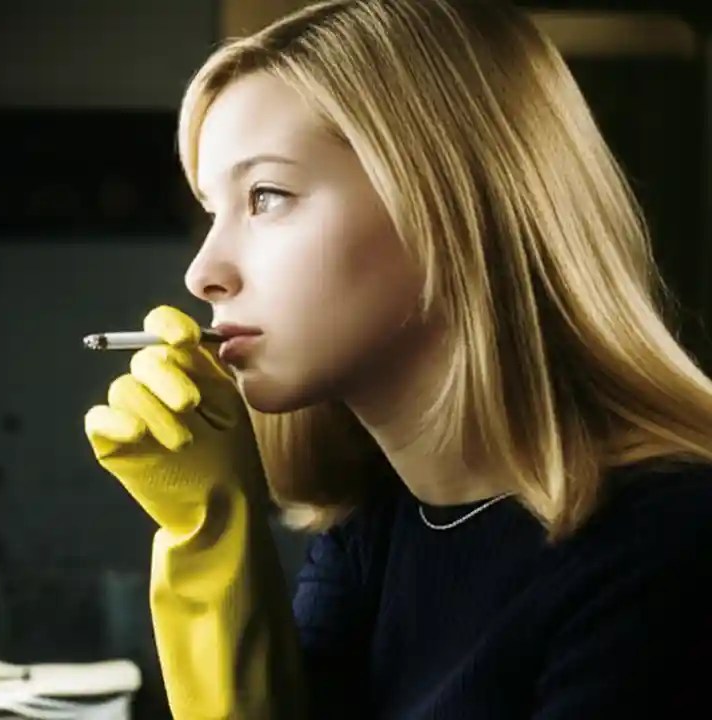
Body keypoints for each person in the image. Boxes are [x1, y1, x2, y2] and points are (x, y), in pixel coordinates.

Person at [83, 1, 712, 717]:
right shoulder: (375, 530)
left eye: (267, 196)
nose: (203, 272)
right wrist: (210, 538)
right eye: (211, 209)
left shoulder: (671, 547)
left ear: (448, 200)